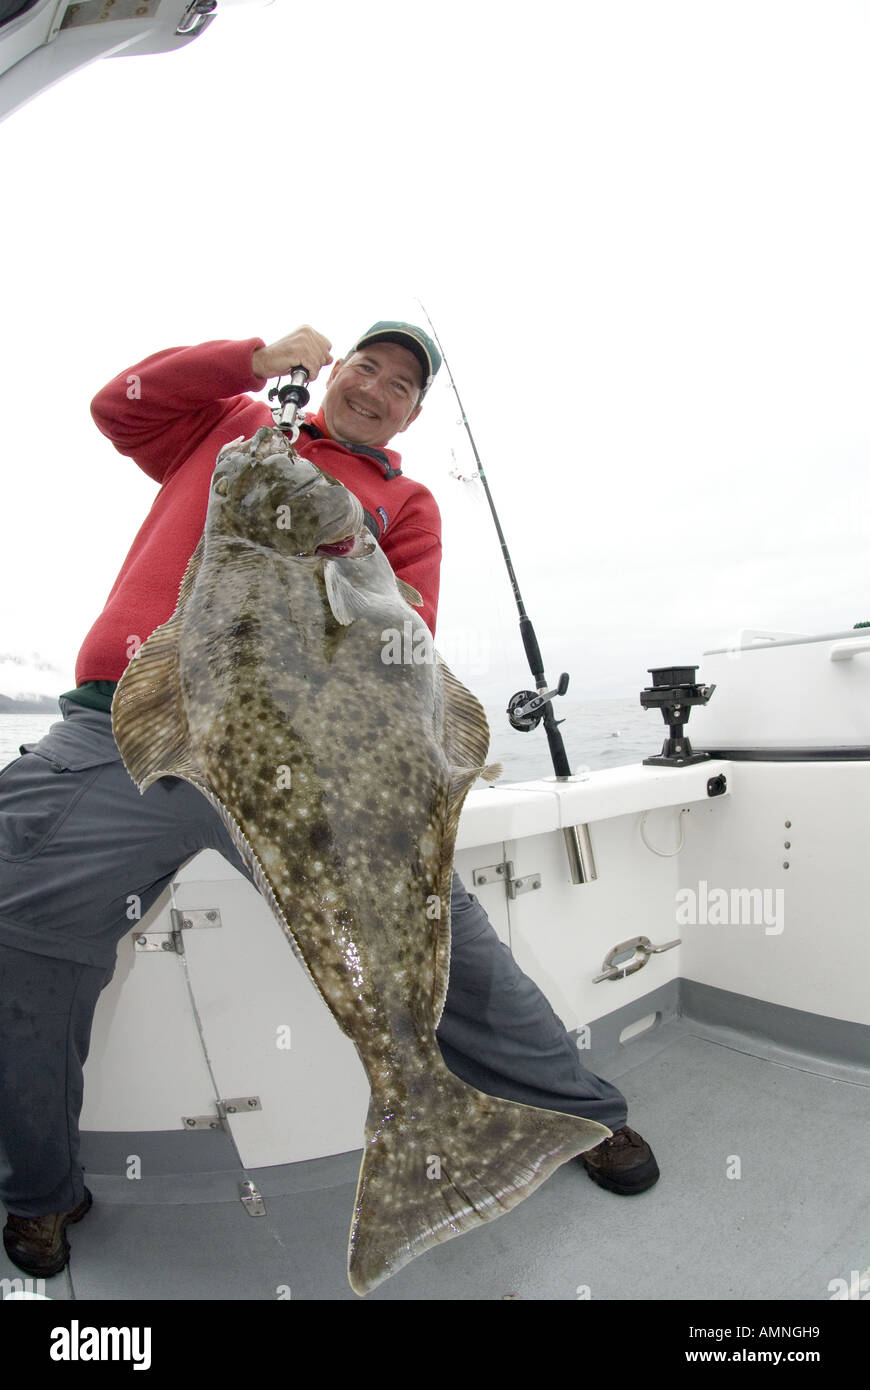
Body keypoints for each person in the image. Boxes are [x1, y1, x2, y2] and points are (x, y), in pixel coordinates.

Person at [0, 321, 658, 1281]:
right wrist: (250, 361)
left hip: (311, 763)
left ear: (412, 416)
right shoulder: (230, 427)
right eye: (367, 367)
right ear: (333, 370)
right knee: (19, 940)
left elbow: (408, 648)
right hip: (121, 734)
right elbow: (118, 407)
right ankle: (39, 1188)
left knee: (448, 943)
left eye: (402, 386)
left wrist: (351, 570)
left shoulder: (408, 506)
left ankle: (574, 1114)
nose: (378, 389)